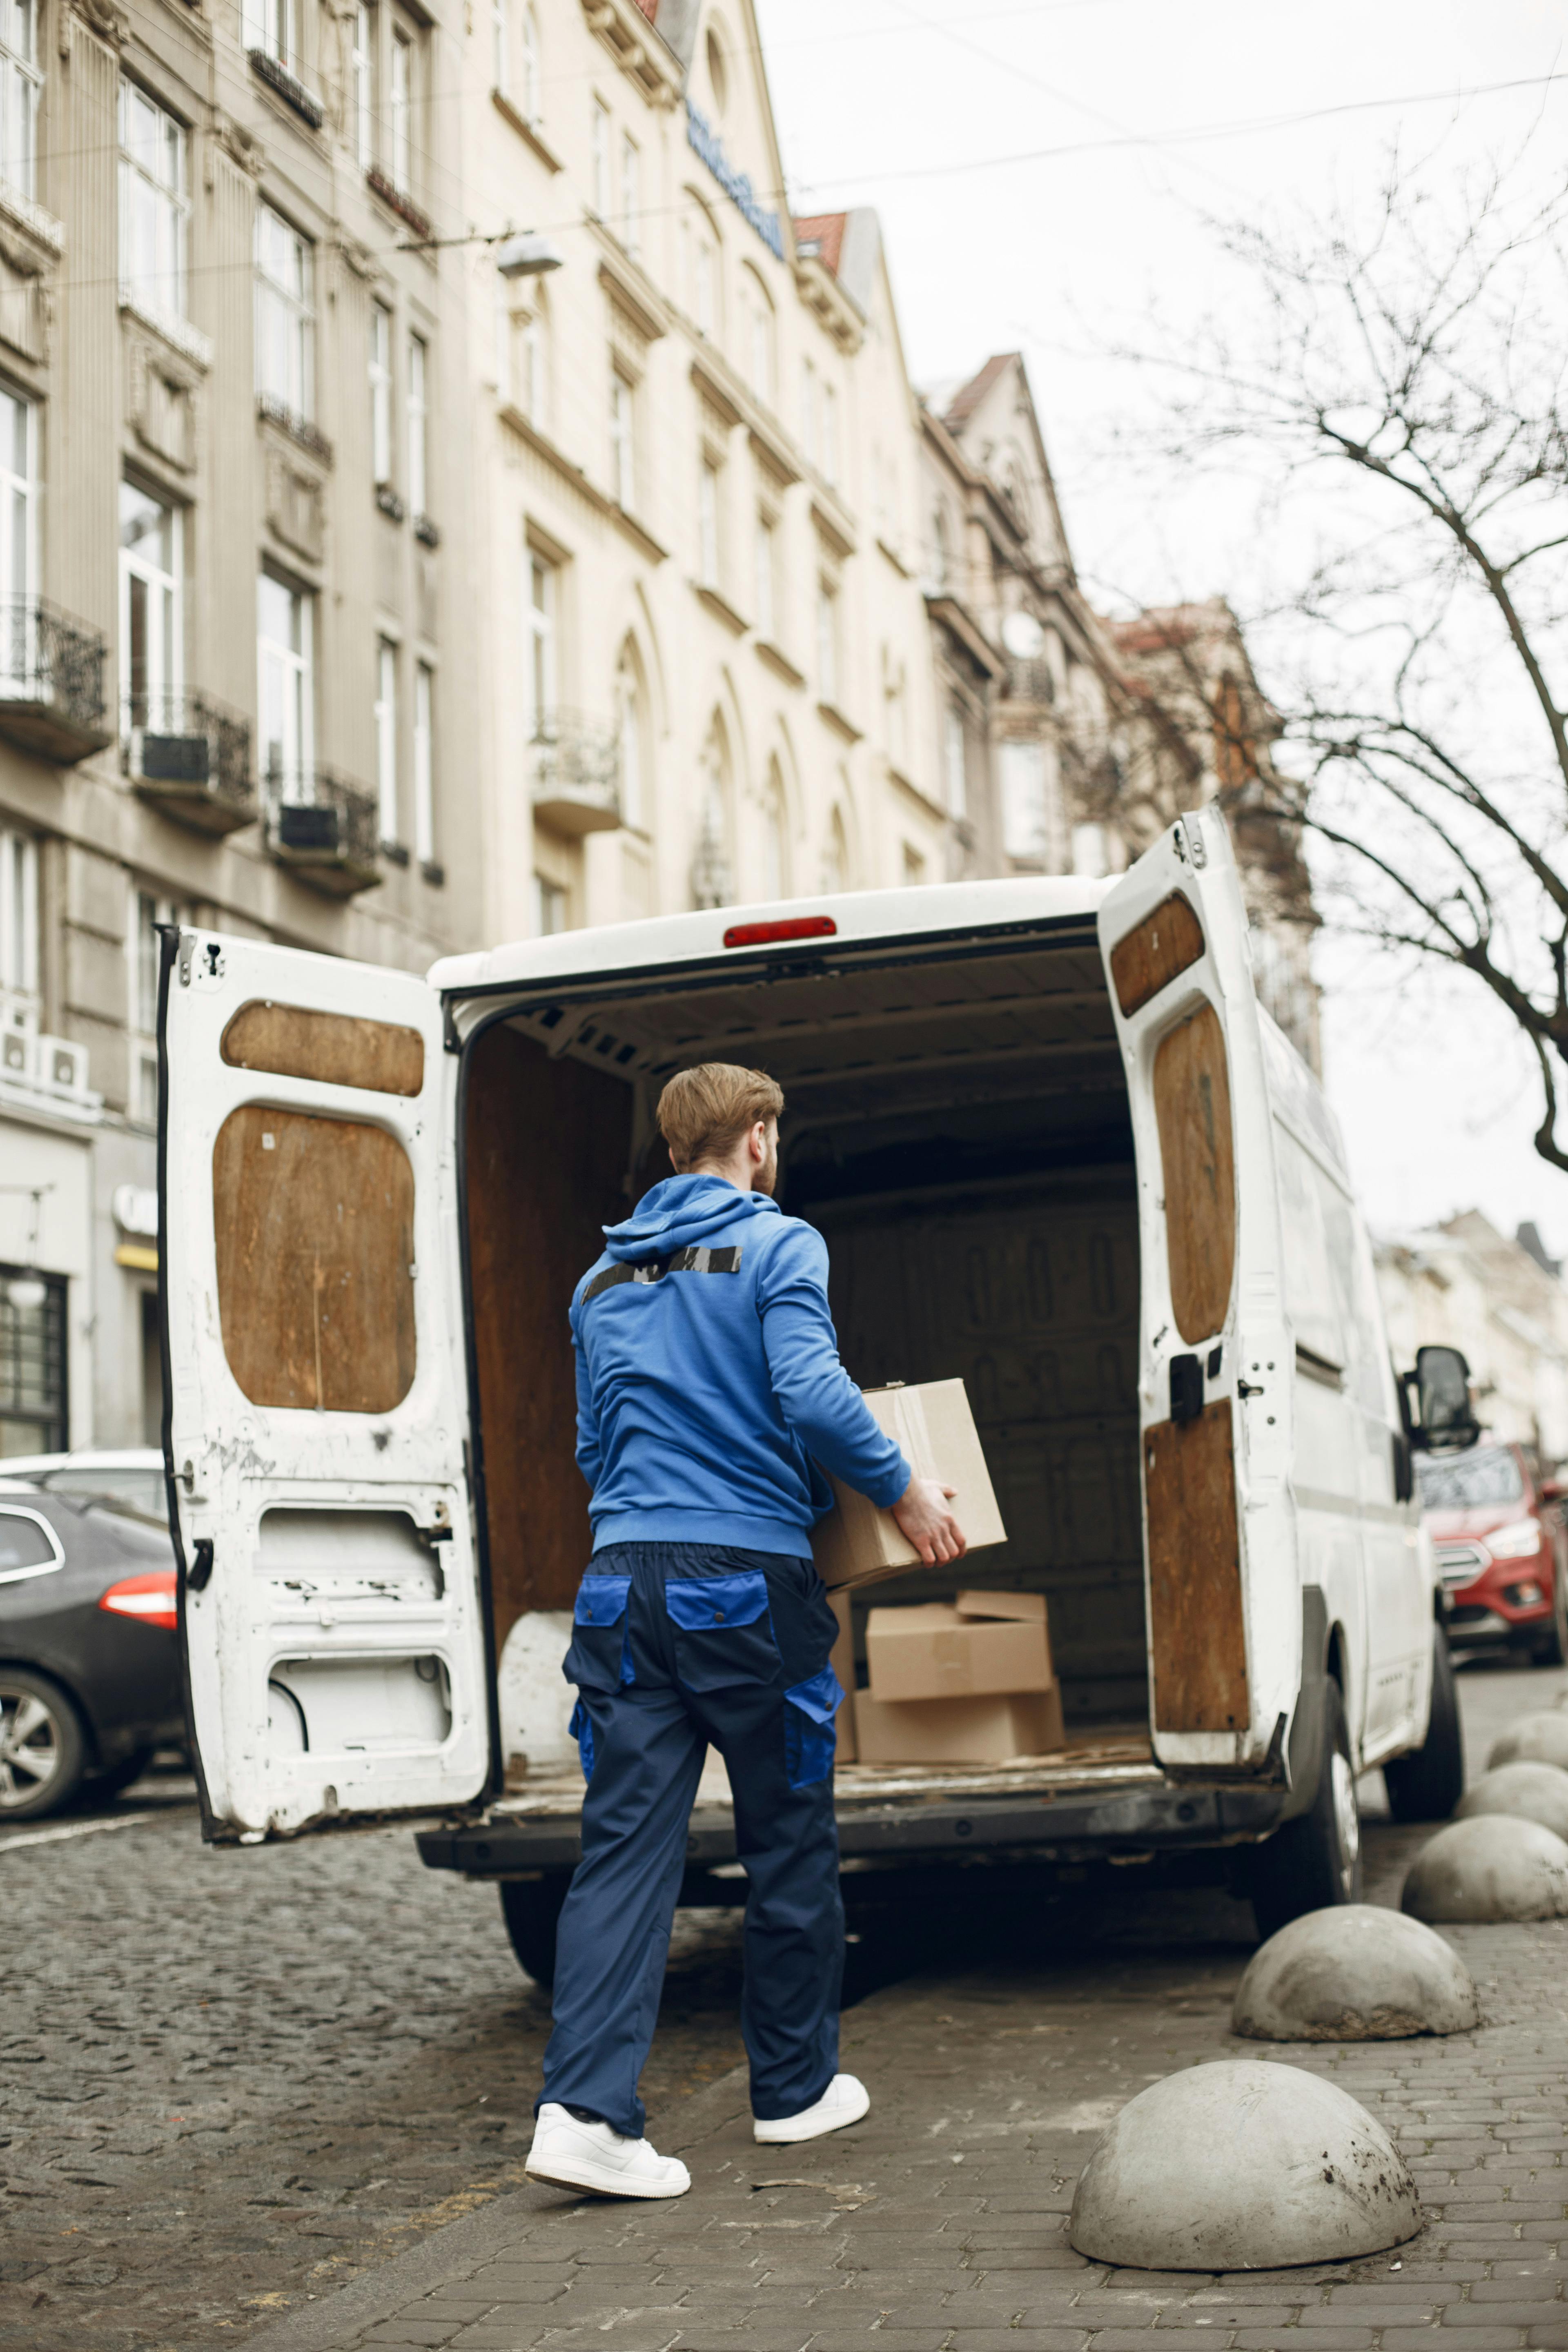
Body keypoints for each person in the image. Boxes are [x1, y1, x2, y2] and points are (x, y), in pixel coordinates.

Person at [525, 1062, 966, 2200]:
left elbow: (594, 1446)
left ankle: (584, 2114)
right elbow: (815, 1393)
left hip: (621, 1589)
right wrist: (908, 1492)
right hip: (744, 1587)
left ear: (675, 1150)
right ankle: (794, 2090)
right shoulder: (782, 1246)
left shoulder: (598, 1280)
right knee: (785, 1837)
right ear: (758, 1139)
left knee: (624, 1854)